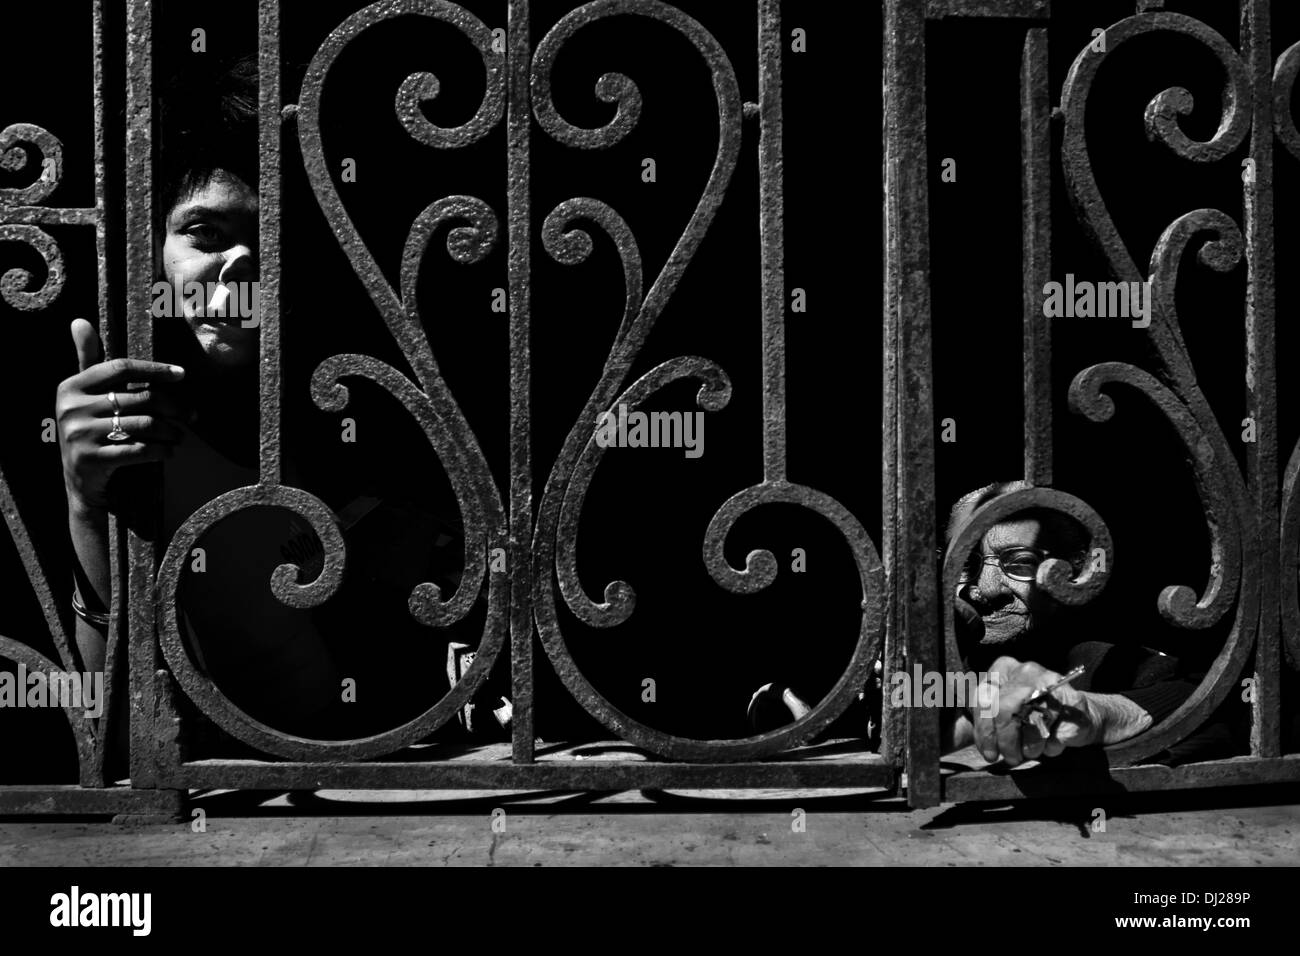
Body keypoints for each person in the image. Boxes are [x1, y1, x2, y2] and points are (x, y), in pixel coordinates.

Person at [55, 55, 489, 757]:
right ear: (151, 249)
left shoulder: (377, 393)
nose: (243, 263)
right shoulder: (116, 414)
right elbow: (104, 741)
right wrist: (86, 502)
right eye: (206, 233)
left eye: (273, 235)